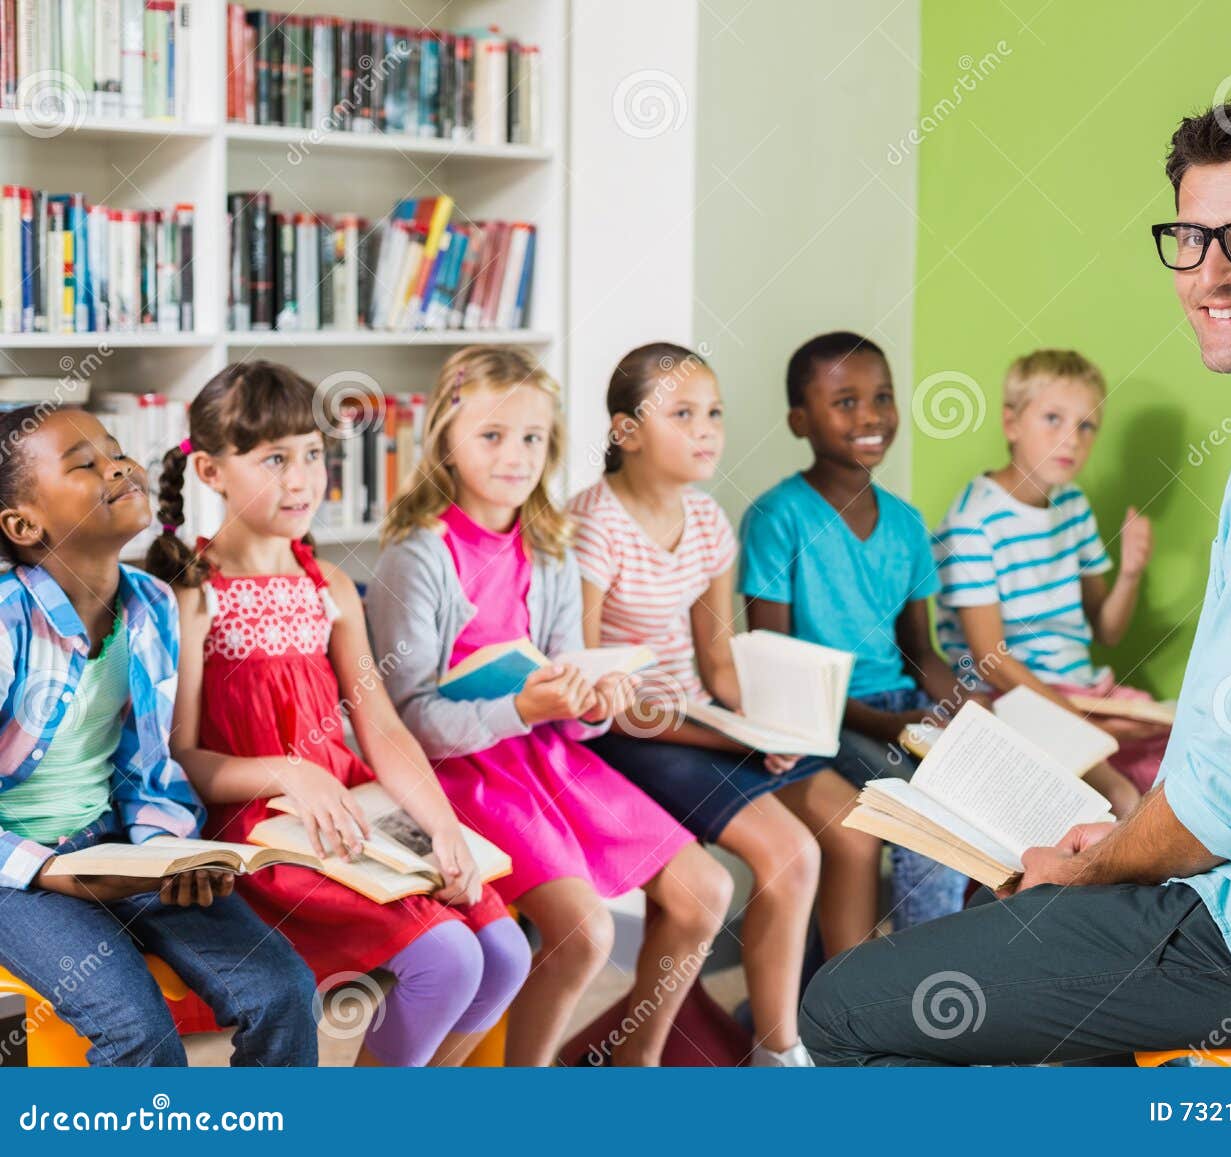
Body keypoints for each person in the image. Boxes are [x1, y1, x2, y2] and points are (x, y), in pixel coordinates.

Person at [801, 87, 1231, 1065]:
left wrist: (1094, 864)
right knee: (1027, 975)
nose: (1210, 273)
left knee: (843, 1003)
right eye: (1190, 236)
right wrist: (1117, 845)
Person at [150, 361, 531, 1068]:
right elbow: (182, 758)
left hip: (355, 810)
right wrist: (290, 773)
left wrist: (443, 827)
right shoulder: (194, 596)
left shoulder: (329, 586)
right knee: (446, 958)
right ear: (209, 470)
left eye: (312, 455)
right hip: (264, 833)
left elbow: (382, 725)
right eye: (275, 459)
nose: (303, 479)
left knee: (505, 953)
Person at [368, 346, 732, 1067]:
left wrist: (593, 698)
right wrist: (524, 710)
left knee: (705, 891)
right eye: (493, 435)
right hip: (462, 773)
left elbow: (569, 685)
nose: (516, 456)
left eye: (533, 438)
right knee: (587, 934)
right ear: (446, 437)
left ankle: (635, 1067)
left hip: (548, 756)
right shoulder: (418, 558)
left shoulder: (551, 546)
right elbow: (408, 723)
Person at [0, 403, 318, 1067]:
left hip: (115, 849)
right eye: (85, 464)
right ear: (25, 525)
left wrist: (168, 847)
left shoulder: (151, 603)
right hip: (17, 874)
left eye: (115, 449)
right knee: (140, 1034)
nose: (118, 464)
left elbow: (151, 765)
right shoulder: (6, 624)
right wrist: (48, 868)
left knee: (286, 989)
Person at [572, 342, 829, 1066]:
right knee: (774, 856)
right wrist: (733, 741)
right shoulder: (594, 524)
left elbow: (717, 661)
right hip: (618, 732)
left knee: (796, 854)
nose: (707, 428)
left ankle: (778, 1051)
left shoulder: (710, 523)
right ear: (626, 431)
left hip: (695, 725)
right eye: (682, 414)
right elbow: (591, 689)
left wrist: (765, 726)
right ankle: (643, 1062)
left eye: (713, 412)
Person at [741, 331, 982, 936]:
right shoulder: (778, 517)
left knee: (988, 808)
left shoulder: (905, 523)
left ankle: (937, 974)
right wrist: (896, 726)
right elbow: (778, 671)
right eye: (845, 402)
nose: (871, 416)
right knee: (928, 828)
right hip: (826, 720)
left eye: (882, 397)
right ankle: (907, 987)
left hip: (901, 714)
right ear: (801, 420)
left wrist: (956, 706)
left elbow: (920, 648)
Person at [933, 348, 1168, 818]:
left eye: (1086, 426)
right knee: (1118, 799)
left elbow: (1106, 631)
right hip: (1014, 699)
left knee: (1183, 759)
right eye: (1053, 420)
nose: (1071, 441)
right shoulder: (973, 522)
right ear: (1012, 423)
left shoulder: (1073, 504)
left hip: (1079, 688)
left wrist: (1130, 573)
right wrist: (1080, 723)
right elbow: (991, 661)